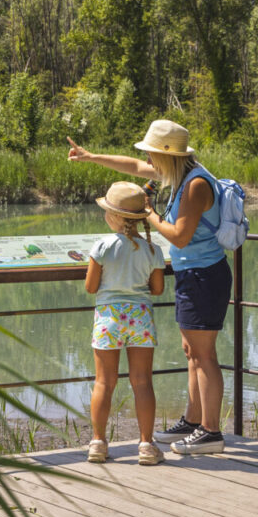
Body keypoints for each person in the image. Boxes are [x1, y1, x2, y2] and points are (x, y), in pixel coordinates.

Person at [68, 119, 230, 455]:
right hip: (191, 274)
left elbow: (179, 236)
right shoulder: (179, 174)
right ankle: (193, 420)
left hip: (204, 275)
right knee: (191, 352)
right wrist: (91, 156)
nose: (148, 163)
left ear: (166, 155)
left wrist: (148, 214)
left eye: (152, 156)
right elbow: (131, 166)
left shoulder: (196, 184)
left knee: (204, 354)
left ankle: (211, 431)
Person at [83, 181, 167, 465]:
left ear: (115, 217)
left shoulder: (102, 246)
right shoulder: (152, 250)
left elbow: (91, 287)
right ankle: (145, 445)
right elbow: (157, 289)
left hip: (109, 318)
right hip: (140, 317)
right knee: (142, 382)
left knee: (104, 382)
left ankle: (97, 443)